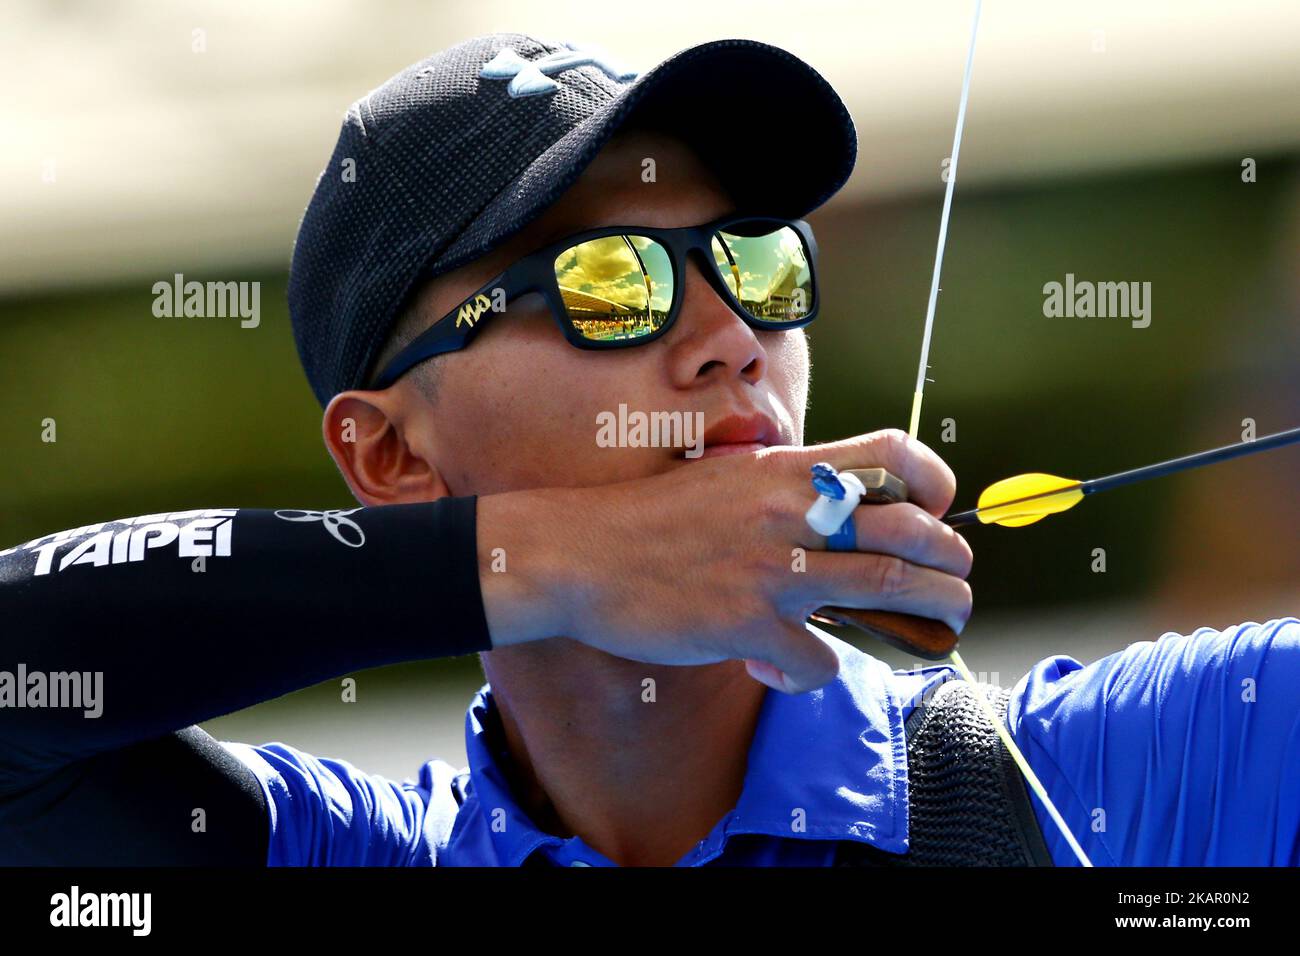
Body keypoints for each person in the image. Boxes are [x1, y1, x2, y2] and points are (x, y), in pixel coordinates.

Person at [1, 33, 1296, 867]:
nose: (731, 333)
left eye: (756, 259)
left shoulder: (1128, 779)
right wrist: (547, 559)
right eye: (611, 279)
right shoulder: (344, 856)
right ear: (390, 457)